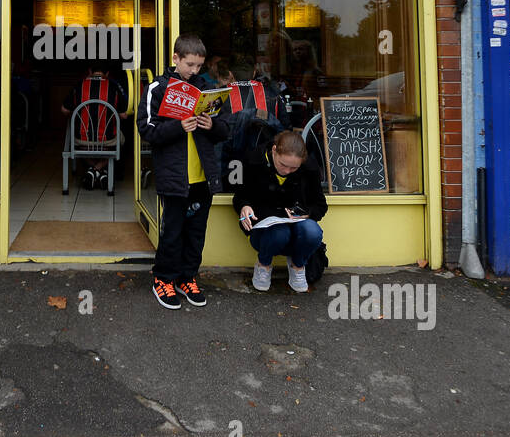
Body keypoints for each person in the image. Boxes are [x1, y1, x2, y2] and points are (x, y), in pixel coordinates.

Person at [139, 33, 229, 309]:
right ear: (175, 58)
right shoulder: (157, 87)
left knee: (196, 231)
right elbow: (146, 130)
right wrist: (179, 127)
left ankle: (187, 276)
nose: (194, 71)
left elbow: (226, 129)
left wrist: (212, 126)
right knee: (173, 230)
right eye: (189, 64)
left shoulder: (206, 87)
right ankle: (163, 279)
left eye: (199, 66)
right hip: (174, 175)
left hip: (202, 175)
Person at [232, 130, 328, 293]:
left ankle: (297, 265)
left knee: (313, 231)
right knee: (279, 233)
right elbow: (239, 195)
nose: (287, 171)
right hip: (265, 232)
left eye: (294, 168)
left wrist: (307, 212)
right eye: (283, 165)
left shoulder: (309, 168)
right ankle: (264, 264)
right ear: (274, 150)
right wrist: (244, 206)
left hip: (297, 229)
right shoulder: (253, 160)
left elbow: (320, 205)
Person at [61, 62, 127, 190]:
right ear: (107, 74)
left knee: (79, 143)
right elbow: (124, 115)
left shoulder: (79, 85)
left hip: (82, 139)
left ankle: (92, 170)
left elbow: (64, 110)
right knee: (123, 140)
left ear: (90, 72)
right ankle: (100, 170)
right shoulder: (113, 87)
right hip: (108, 140)